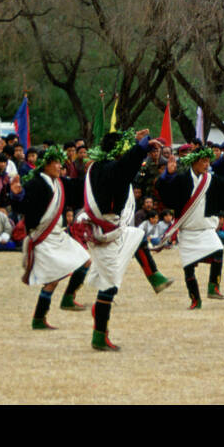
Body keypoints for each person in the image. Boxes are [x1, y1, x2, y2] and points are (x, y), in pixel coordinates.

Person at [78, 129, 174, 351]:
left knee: (136, 235)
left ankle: (155, 277)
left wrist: (135, 142)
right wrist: (140, 146)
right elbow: (127, 164)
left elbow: (126, 162)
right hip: (105, 233)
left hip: (113, 229)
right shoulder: (110, 170)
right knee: (109, 287)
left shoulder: (100, 167)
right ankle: (99, 336)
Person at [155, 147, 224, 309]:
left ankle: (213, 287)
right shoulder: (181, 179)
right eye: (203, 161)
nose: (206, 164)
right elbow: (162, 190)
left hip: (206, 229)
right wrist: (167, 175)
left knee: (218, 251)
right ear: (195, 162)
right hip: (187, 231)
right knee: (188, 268)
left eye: (208, 161)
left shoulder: (211, 180)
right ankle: (195, 300)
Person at [19, 146, 92, 330]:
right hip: (42, 236)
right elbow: (23, 207)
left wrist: (92, 172)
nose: (60, 167)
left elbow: (78, 187)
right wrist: (15, 194)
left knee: (85, 261)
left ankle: (68, 298)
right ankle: (38, 318)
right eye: (57, 163)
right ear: (46, 165)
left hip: (58, 234)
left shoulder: (60, 184)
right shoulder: (34, 184)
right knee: (52, 279)